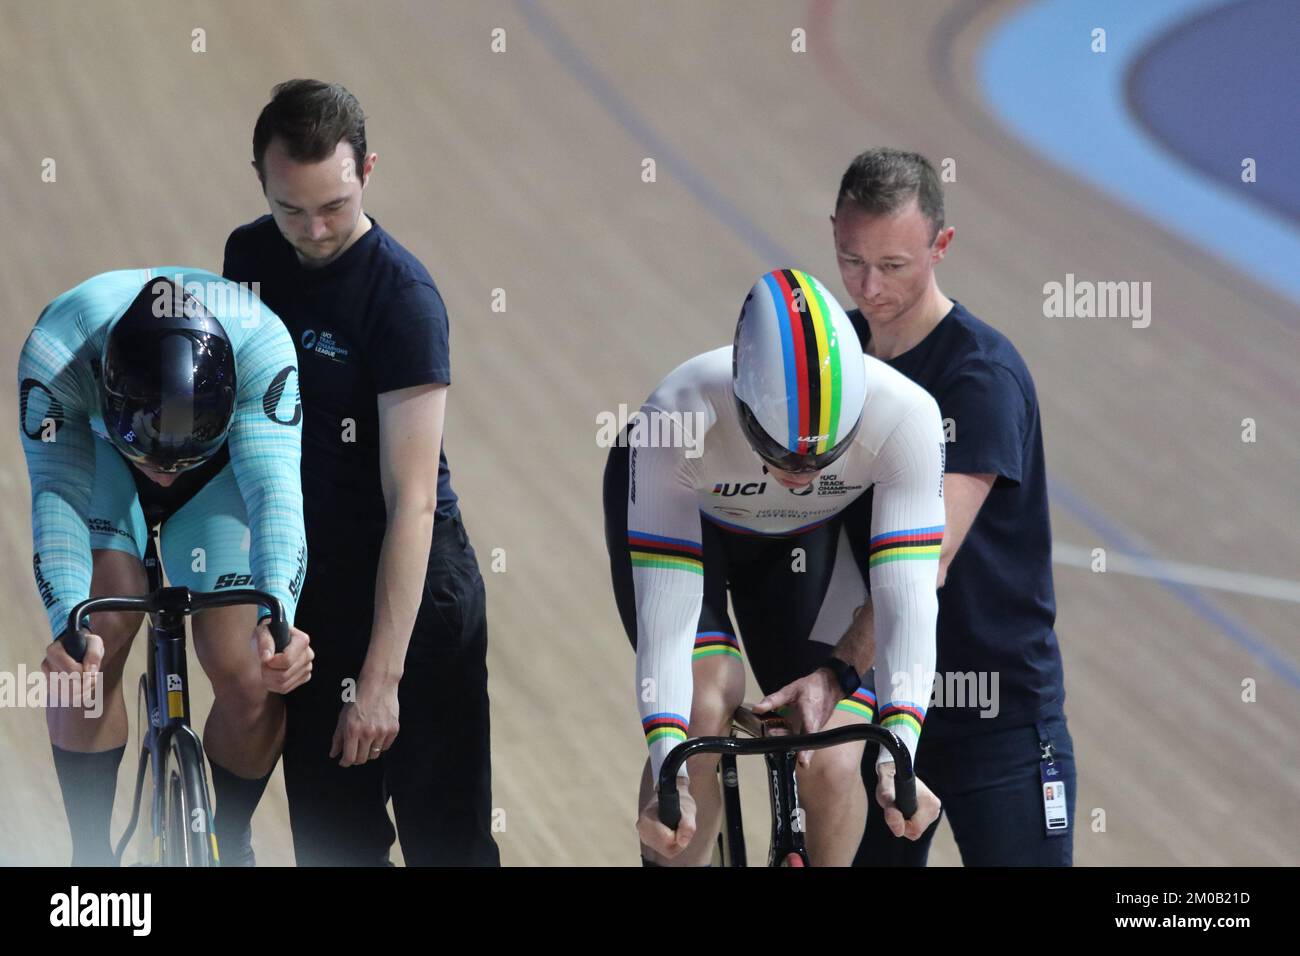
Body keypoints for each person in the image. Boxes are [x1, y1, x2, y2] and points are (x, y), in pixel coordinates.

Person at [223, 79, 499, 866]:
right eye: (291, 209)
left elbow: (410, 501)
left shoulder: (403, 300)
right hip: (316, 592)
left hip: (414, 599)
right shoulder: (248, 257)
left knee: (448, 847)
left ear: (368, 170)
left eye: (334, 207)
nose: (313, 231)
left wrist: (382, 681)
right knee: (333, 850)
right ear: (261, 182)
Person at [603, 268, 946, 866]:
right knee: (704, 705)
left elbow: (908, 600)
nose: (801, 473)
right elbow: (666, 623)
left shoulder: (907, 418)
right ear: (739, 399)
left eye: (824, 458)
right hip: (694, 527)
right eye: (779, 452)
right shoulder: (676, 415)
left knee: (837, 756)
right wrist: (668, 771)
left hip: (801, 539)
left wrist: (900, 760)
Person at [828, 148, 1077, 866]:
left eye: (894, 266)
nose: (869, 287)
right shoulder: (833, 358)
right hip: (887, 710)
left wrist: (837, 670)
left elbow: (921, 560)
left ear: (942, 246)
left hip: (997, 723)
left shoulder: (979, 377)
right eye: (851, 261)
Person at [18, 270, 314, 866]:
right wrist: (66, 620)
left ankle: (229, 840)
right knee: (94, 638)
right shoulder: (59, 353)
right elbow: (59, 494)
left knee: (251, 670)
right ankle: (90, 856)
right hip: (101, 460)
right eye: (153, 459)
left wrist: (278, 620)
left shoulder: (262, 348)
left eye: (179, 461)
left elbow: (275, 495)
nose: (165, 474)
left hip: (220, 477)